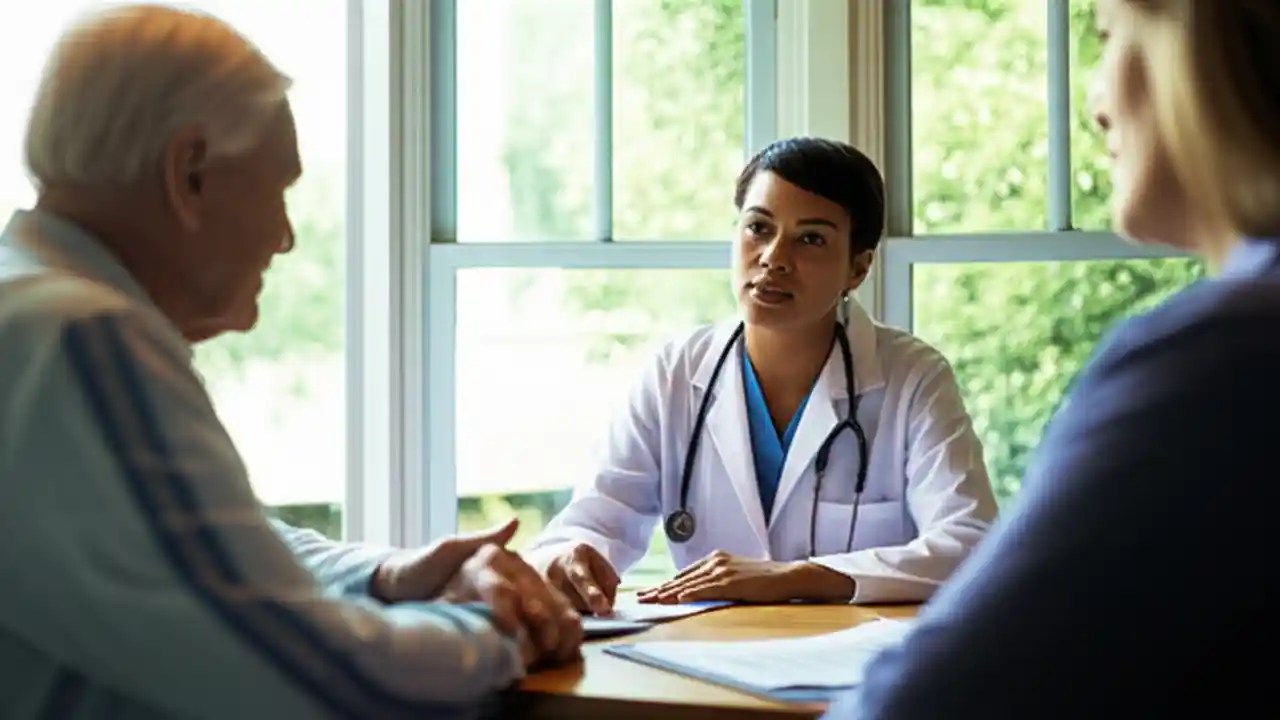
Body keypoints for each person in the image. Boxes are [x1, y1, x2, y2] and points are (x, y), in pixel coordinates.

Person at [0, 5, 580, 719]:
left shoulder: (26, 309)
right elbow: (311, 676)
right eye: (279, 189)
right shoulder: (81, 338)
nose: (285, 238)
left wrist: (384, 575)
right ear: (190, 174)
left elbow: (198, 545)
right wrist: (493, 630)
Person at [823, 1, 1280, 717]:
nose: (1096, 104)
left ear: (1201, 47)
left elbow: (922, 706)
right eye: (755, 229)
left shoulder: (1222, 365)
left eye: (1107, 37)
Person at [525, 137, 998, 613]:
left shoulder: (913, 377)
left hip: (856, 665)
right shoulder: (676, 372)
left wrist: (795, 577)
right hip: (706, 657)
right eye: (758, 228)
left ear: (858, 268)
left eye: (811, 238)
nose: (774, 257)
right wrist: (567, 558)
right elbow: (592, 521)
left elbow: (970, 542)